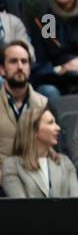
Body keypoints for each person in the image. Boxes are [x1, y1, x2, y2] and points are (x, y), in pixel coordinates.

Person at [1, 108, 78, 199]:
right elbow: (20, 207)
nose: (58, 128)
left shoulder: (65, 162)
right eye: (50, 123)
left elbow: (77, 204)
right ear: (33, 130)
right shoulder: (12, 165)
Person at [0, 40, 47, 174]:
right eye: (13, 61)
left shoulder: (44, 105)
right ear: (2, 69)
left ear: (30, 68)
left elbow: (52, 151)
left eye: (24, 61)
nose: (20, 67)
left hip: (35, 181)